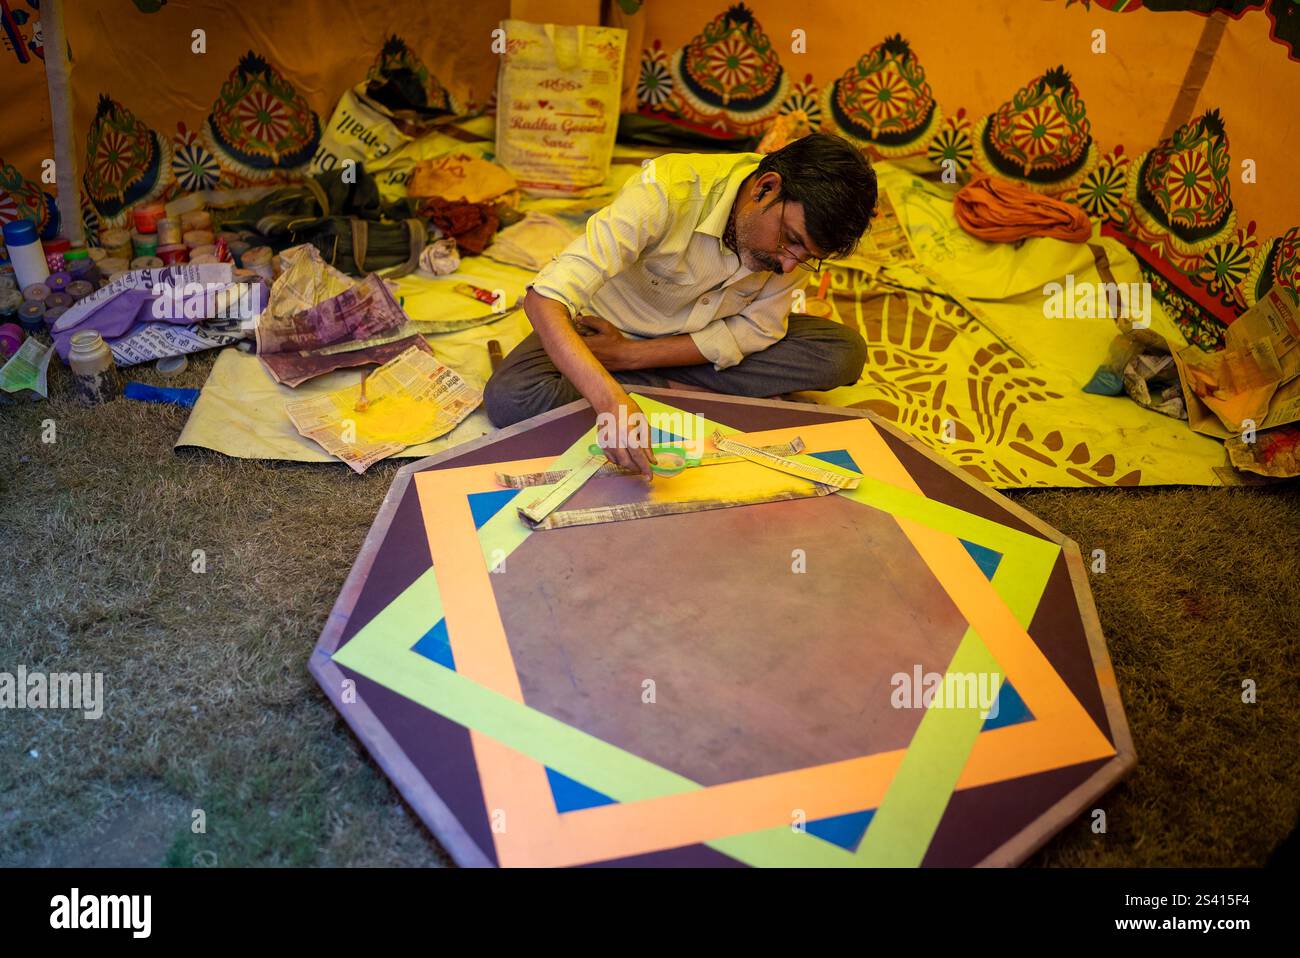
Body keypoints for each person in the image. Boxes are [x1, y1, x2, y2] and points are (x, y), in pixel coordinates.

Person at [484, 132, 877, 475]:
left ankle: (641, 387)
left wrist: (631, 357)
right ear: (765, 188)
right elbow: (545, 297)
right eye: (790, 239)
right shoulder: (668, 189)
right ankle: (643, 392)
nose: (790, 264)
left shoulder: (792, 247)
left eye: (806, 255)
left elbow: (758, 329)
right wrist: (610, 401)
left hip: (678, 350)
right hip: (603, 335)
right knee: (512, 398)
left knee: (842, 353)